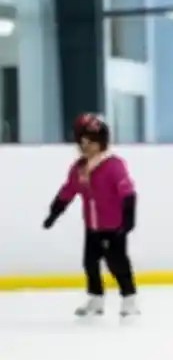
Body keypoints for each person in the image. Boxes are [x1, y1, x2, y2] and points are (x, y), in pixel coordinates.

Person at [42, 112, 140, 318]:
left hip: (114, 226)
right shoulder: (79, 169)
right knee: (90, 263)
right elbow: (68, 191)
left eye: (93, 141)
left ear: (102, 142)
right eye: (83, 141)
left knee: (117, 263)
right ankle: (96, 298)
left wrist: (128, 220)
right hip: (92, 227)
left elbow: (128, 193)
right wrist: (54, 212)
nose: (87, 146)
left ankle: (129, 299)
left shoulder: (114, 165)